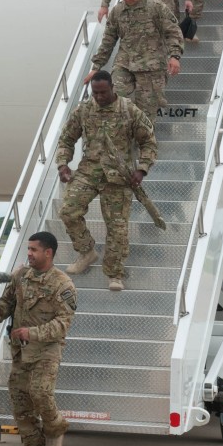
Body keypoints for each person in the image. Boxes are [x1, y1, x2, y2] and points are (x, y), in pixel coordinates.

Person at [58, 72, 158, 292]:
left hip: (118, 176)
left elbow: (149, 142)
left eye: (103, 92)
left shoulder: (129, 111)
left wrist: (142, 169)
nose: (99, 97)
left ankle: (115, 274)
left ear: (113, 88)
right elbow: (66, 139)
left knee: (117, 228)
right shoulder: (84, 110)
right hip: (89, 170)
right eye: (95, 92)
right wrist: (63, 164)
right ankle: (87, 251)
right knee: (67, 211)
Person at [0, 232, 77, 446]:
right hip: (21, 352)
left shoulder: (63, 284)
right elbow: (7, 302)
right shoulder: (20, 276)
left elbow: (63, 324)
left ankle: (56, 427)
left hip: (47, 350)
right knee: (21, 405)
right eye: (28, 249)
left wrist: (33, 332)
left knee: (40, 393)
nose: (28, 253)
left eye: (33, 250)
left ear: (48, 253)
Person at [87, 0, 184, 118]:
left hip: (151, 66)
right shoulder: (118, 11)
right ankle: (119, 138)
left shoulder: (156, 7)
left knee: (146, 115)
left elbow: (173, 32)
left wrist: (174, 56)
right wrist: (96, 67)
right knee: (113, 99)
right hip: (124, 64)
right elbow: (108, 41)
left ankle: (144, 140)